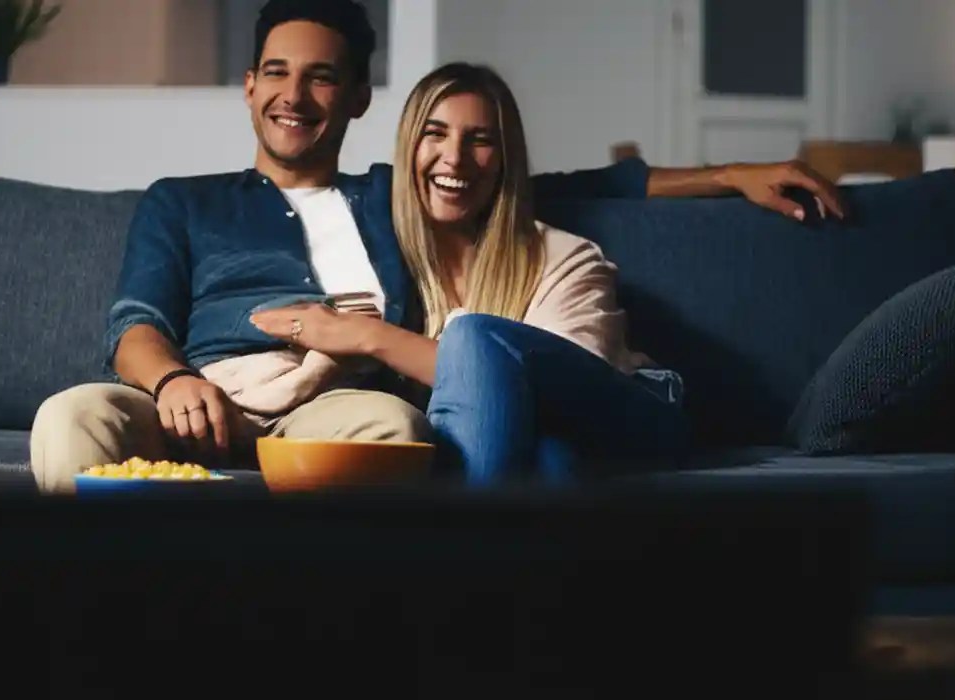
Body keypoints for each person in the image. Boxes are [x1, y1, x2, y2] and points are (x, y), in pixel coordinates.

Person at [30, 0, 844, 492]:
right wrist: (171, 379)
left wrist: (733, 172)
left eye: (320, 77)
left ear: (357, 97)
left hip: (326, 411)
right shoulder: (184, 202)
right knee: (69, 421)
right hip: (196, 399)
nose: (294, 94)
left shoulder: (395, 195)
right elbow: (133, 324)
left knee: (398, 429)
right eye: (276, 72)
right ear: (250, 86)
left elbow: (561, 186)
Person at [252, 62, 692, 487]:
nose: (455, 158)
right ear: (409, 149)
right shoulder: (383, 262)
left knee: (472, 337)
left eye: (479, 140)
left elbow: (564, 394)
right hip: (530, 449)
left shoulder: (565, 258)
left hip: (624, 419)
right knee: (551, 462)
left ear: (505, 159)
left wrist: (369, 337)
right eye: (435, 134)